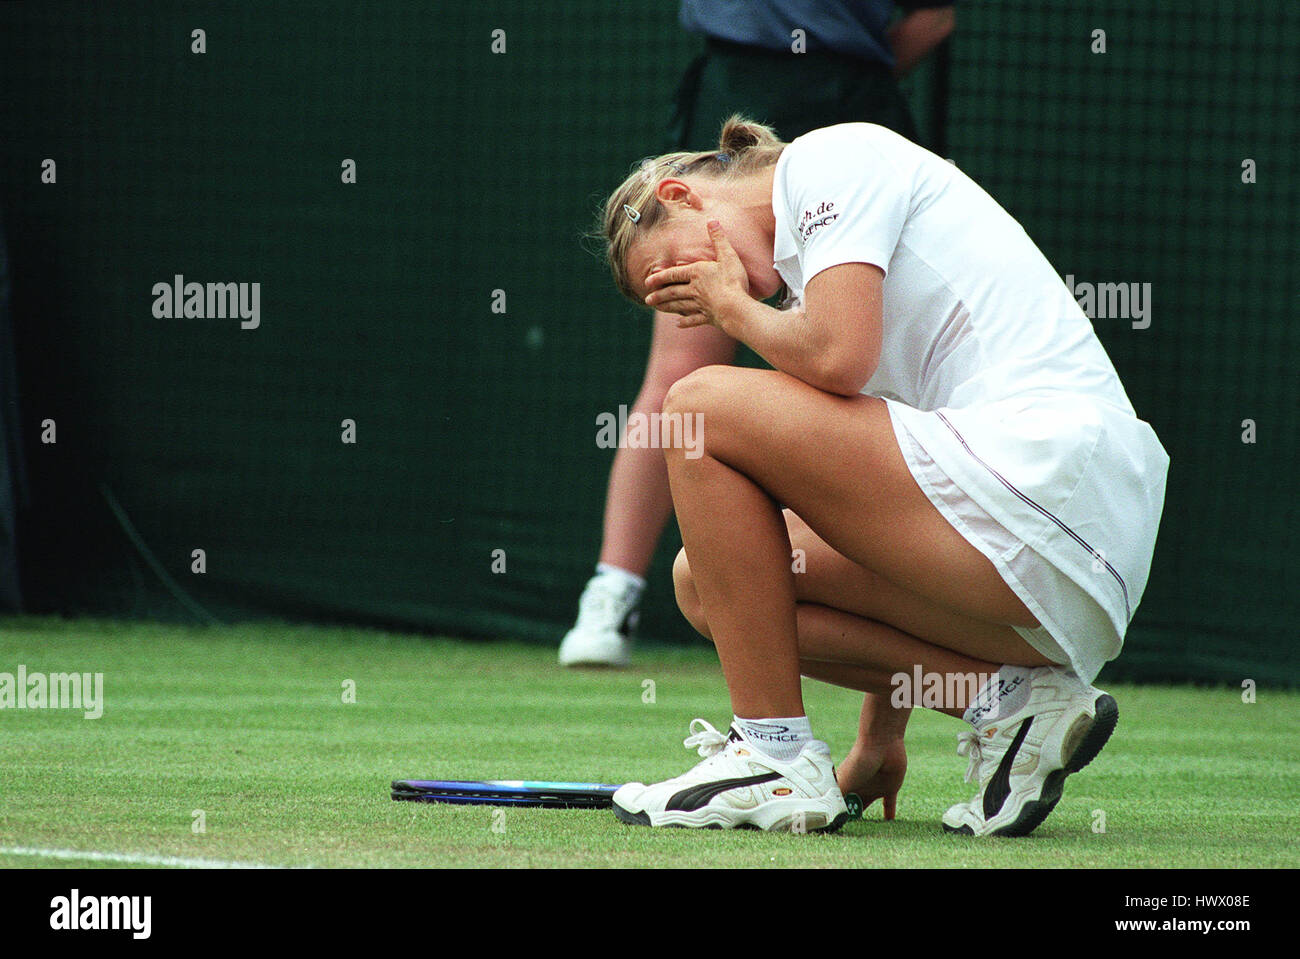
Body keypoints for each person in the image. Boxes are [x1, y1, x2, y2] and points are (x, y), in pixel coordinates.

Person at [593, 116, 1169, 835]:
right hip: (1054, 584)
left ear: (681, 194)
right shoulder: (822, 275)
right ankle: (1010, 704)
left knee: (697, 407)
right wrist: (879, 739)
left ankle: (771, 758)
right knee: (702, 583)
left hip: (1048, 490)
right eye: (676, 298)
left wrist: (735, 309)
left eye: (678, 272)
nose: (696, 298)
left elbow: (840, 357)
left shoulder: (829, 162)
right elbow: (890, 492)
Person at [559, 0, 956, 668]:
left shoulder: (850, 164)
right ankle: (612, 592)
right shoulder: (701, 195)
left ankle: (927, 606)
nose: (680, 284)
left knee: (863, 366)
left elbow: (934, 16)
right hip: (744, 79)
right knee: (683, 384)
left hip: (853, 95)